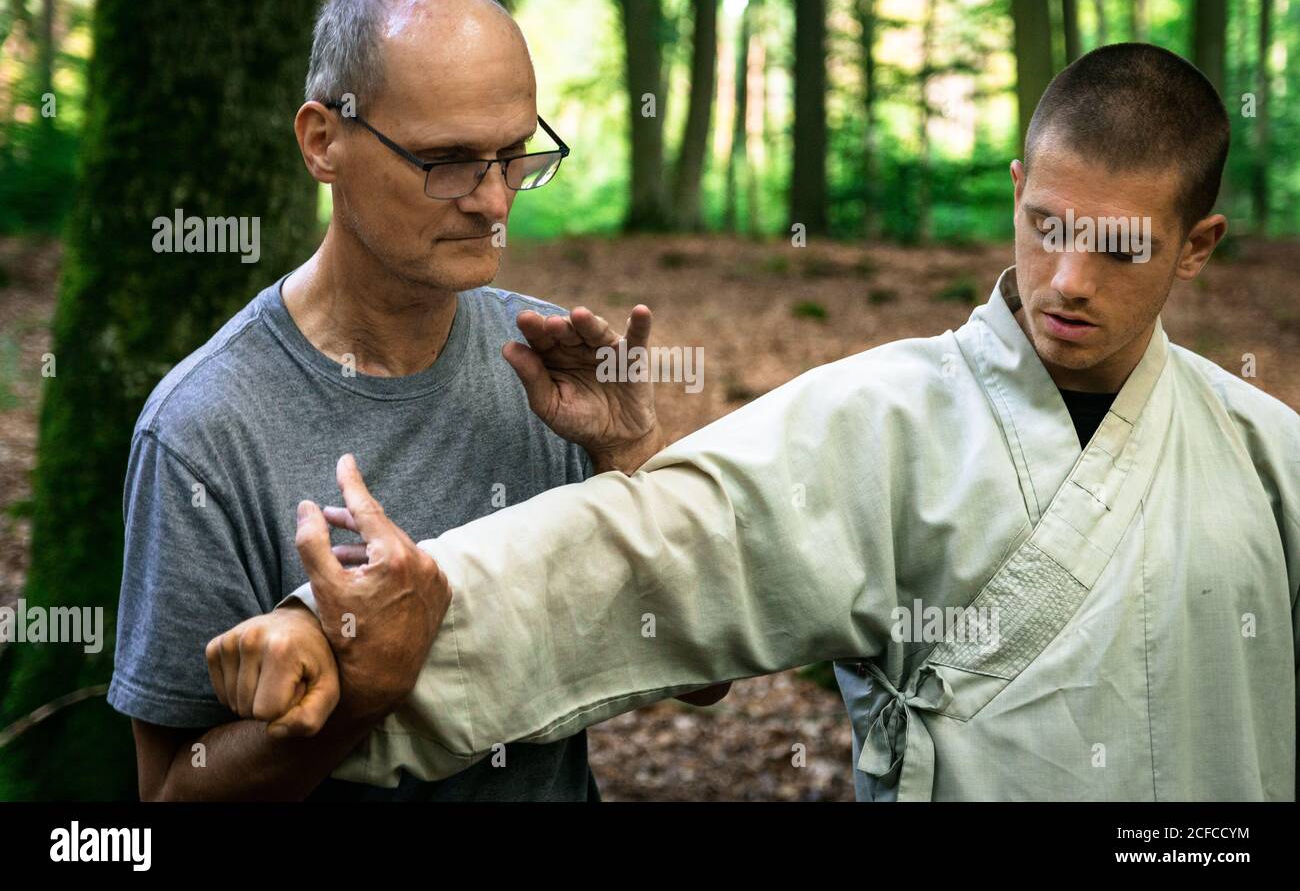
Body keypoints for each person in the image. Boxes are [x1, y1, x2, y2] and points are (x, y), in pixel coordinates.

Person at [211, 43, 1299, 800]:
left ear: (1194, 246)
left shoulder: (1269, 454)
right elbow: (655, 545)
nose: (1064, 279)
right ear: (1017, 188)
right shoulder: (887, 418)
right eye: (1042, 224)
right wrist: (352, 623)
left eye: (1115, 246)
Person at [108, 0, 725, 802]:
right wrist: (366, 693)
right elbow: (170, 794)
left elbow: (705, 676)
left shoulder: (548, 362)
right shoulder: (204, 430)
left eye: (514, 157)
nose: (495, 203)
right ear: (323, 141)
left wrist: (633, 457)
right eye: (448, 162)